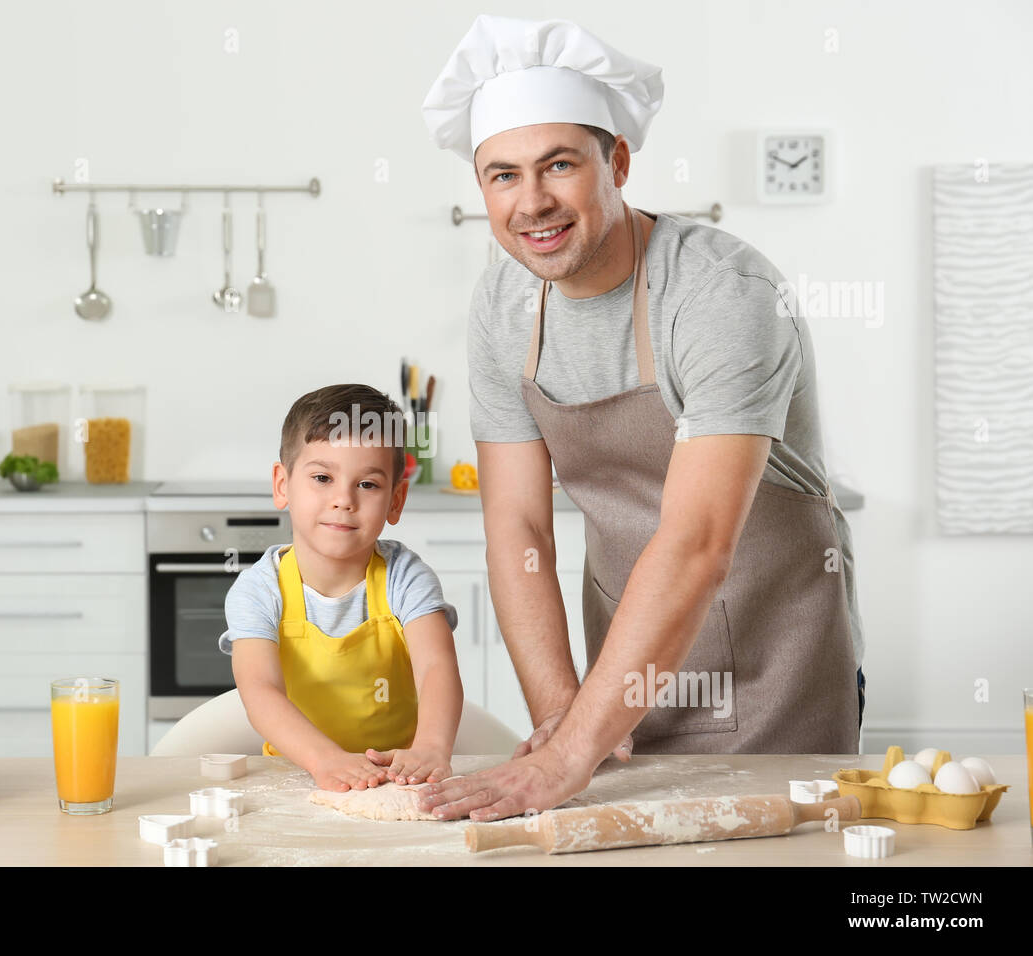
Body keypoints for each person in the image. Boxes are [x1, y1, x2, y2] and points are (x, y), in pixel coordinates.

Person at [414, 15, 865, 822]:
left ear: (617, 162)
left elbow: (696, 545)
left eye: (559, 165)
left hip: (780, 665)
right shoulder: (502, 303)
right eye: (503, 176)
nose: (533, 202)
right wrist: (562, 715)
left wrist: (568, 754)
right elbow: (518, 527)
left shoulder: (722, 295)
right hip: (620, 678)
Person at [220, 384, 463, 793]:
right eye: (322, 478)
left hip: (397, 781)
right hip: (298, 779)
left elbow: (437, 668)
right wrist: (325, 761)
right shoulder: (259, 590)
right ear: (282, 484)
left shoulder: (406, 577)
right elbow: (259, 690)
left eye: (367, 485)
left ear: (396, 500)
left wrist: (432, 748)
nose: (343, 500)